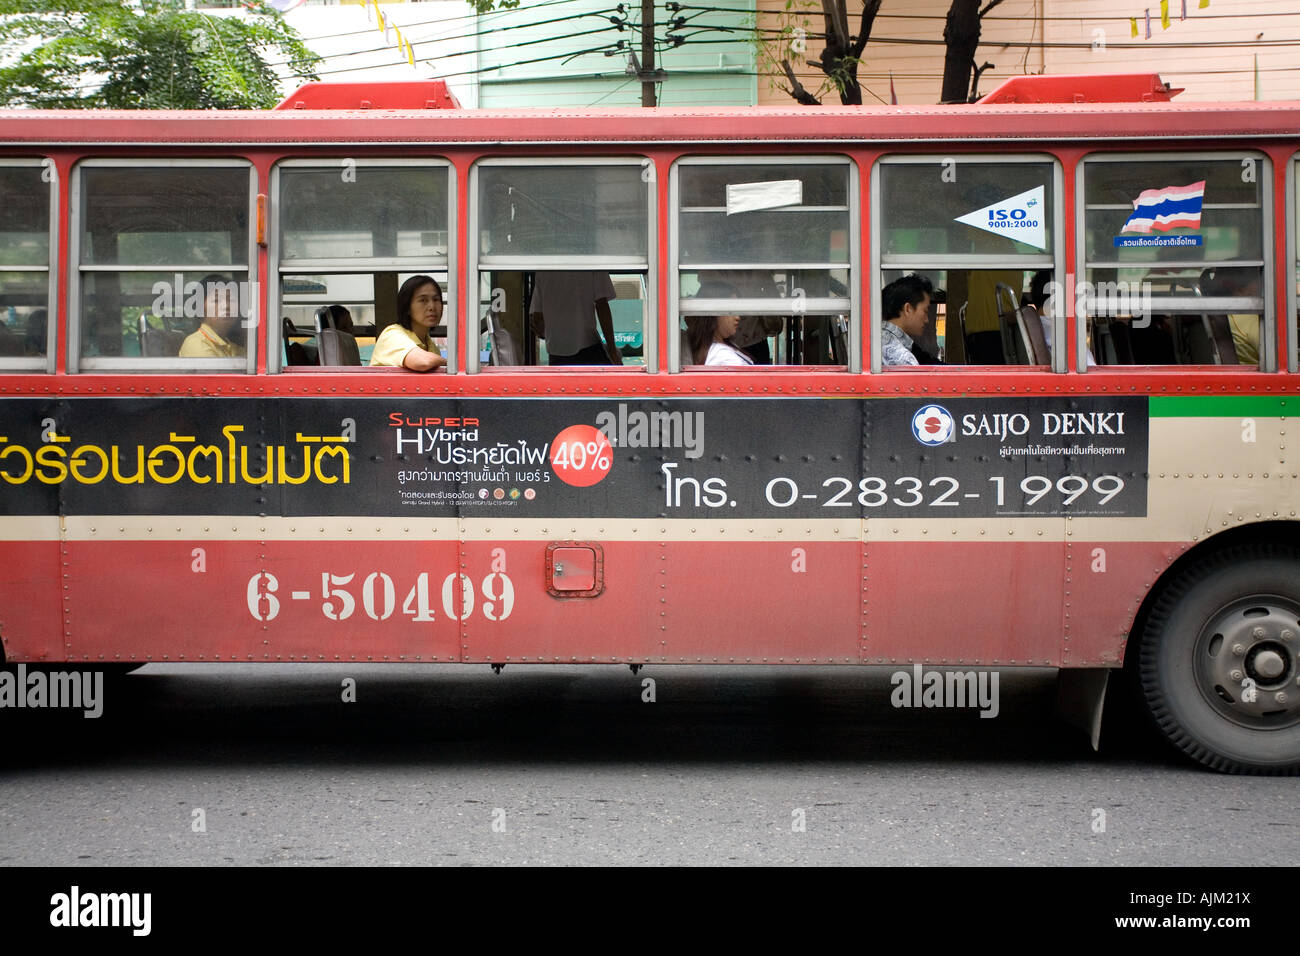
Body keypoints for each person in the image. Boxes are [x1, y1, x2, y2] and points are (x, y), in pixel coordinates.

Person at [529, 271, 622, 366]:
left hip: (556, 353)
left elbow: (537, 319)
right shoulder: (593, 262)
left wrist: (554, 333)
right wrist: (612, 351)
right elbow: (602, 306)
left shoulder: (543, 269)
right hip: (587, 349)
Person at [369, 275, 447, 371]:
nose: (432, 307)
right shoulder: (391, 335)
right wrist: (449, 363)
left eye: (436, 300)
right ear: (407, 308)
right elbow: (423, 361)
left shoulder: (431, 347)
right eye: (423, 300)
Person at [179, 275, 246, 358]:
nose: (226, 306)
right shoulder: (196, 343)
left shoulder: (235, 347)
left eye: (231, 300)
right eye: (216, 300)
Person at [880, 274, 933, 367]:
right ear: (908, 309)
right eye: (925, 311)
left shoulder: (871, 341)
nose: (927, 320)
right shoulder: (904, 360)